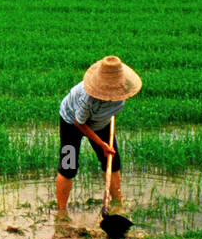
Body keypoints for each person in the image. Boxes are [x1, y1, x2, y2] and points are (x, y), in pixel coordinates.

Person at [55, 55, 142, 214]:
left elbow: (110, 111)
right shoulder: (88, 98)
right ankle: (61, 213)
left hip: (101, 122)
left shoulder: (123, 89)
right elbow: (79, 123)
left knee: (112, 161)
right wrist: (102, 145)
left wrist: (105, 142)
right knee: (68, 166)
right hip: (72, 122)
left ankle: (117, 205)